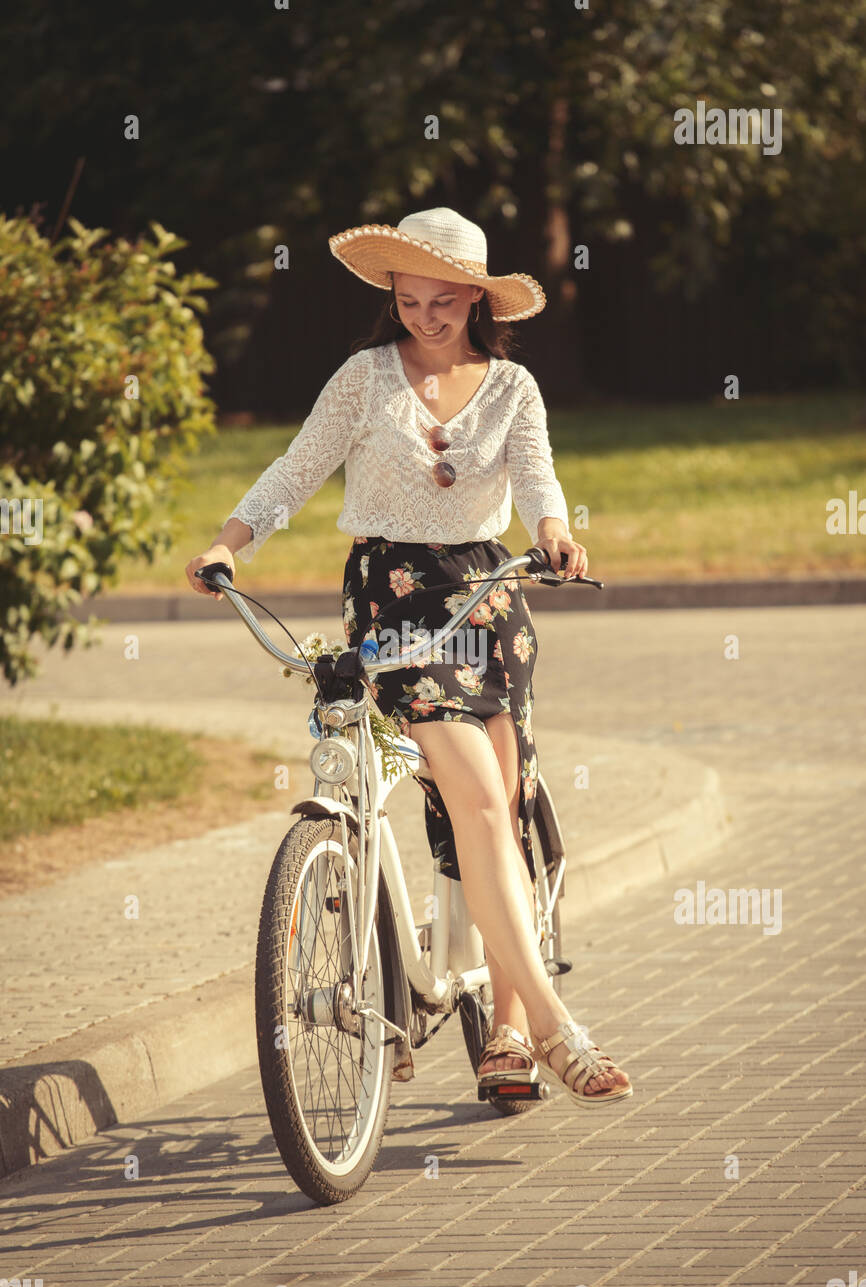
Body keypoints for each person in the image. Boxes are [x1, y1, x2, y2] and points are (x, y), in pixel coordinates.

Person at [186, 207, 631, 1106]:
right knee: (467, 790)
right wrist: (229, 540)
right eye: (409, 299)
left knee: (499, 810)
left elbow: (539, 477)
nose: (425, 316)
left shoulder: (512, 387)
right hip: (393, 600)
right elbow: (297, 467)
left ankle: (505, 1032)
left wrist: (553, 532)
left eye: (443, 301)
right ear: (393, 296)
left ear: (475, 296)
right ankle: (553, 1025)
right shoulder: (362, 379)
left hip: (488, 590)